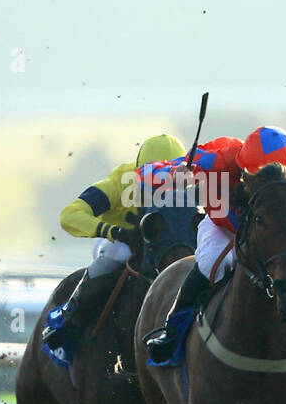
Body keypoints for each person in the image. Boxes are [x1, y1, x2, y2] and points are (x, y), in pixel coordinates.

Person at [140, 125, 286, 373]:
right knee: (209, 264)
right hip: (223, 227)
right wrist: (178, 173)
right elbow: (145, 172)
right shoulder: (218, 159)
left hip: (269, 234)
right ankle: (172, 330)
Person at [41, 133, 187, 367]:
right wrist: (112, 231)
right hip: (126, 243)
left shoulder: (196, 181)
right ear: (140, 172)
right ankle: (68, 325)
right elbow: (70, 215)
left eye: (170, 178)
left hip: (169, 246)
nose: (163, 185)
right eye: (155, 178)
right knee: (115, 255)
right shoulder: (120, 181)